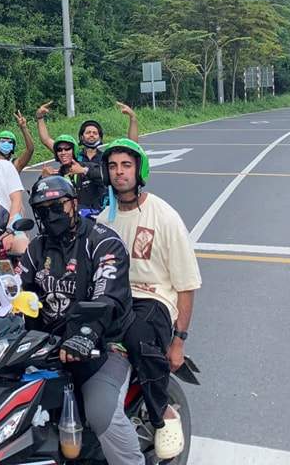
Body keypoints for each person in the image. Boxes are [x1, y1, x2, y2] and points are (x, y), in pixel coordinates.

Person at [18, 175, 143, 465]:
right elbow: (18, 288)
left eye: (58, 206)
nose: (52, 215)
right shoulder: (36, 249)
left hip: (103, 346)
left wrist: (85, 333)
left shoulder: (102, 242)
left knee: (100, 411)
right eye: (43, 209)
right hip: (49, 347)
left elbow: (107, 295)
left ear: (74, 204)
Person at [102, 138, 201, 461]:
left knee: (136, 334)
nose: (119, 173)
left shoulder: (164, 216)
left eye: (126, 165)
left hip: (154, 300)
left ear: (139, 170)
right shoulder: (105, 219)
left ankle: (162, 414)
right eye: (113, 166)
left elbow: (187, 284)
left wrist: (179, 341)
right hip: (115, 300)